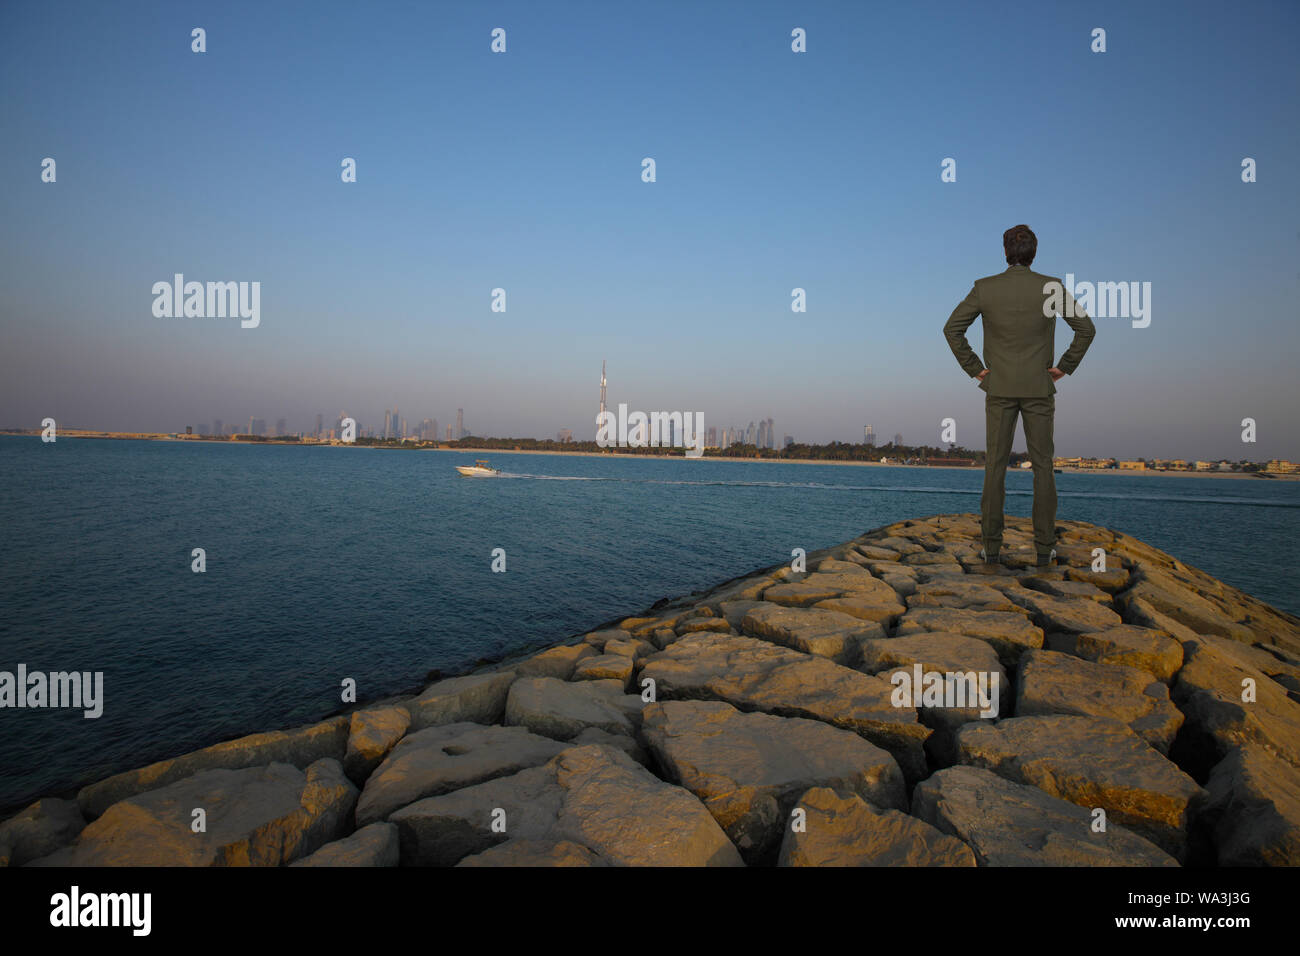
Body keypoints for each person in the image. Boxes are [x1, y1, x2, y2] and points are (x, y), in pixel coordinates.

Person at [943, 225, 1095, 567]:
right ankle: (1044, 549)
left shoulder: (985, 288)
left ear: (1006, 252)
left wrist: (976, 369)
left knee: (994, 467)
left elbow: (952, 329)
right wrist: (1064, 367)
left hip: (998, 388)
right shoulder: (1051, 288)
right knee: (1043, 467)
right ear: (1033, 253)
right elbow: (1086, 329)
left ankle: (991, 548)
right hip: (1039, 388)